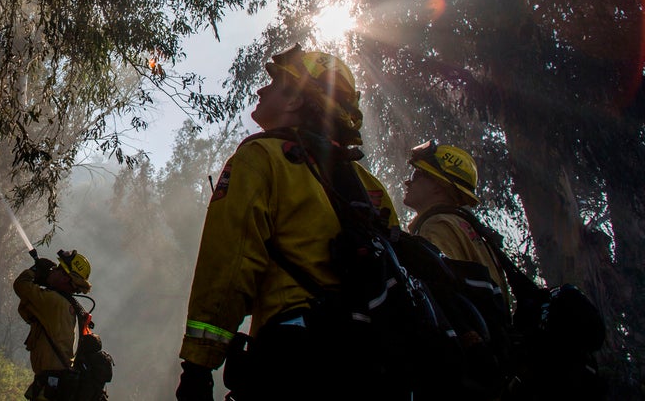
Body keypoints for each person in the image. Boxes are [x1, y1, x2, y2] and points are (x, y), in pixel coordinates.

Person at [175, 45, 400, 400]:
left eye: (274, 83)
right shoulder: (370, 188)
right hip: (375, 364)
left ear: (295, 100)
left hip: (295, 355)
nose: (261, 90)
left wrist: (197, 368)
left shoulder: (261, 157)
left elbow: (229, 265)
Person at [403, 141, 511, 306]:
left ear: (439, 186)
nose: (407, 182)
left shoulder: (437, 226)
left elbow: (441, 290)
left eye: (416, 175)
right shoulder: (465, 225)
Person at [15, 249, 95, 400]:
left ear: (65, 278)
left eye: (58, 269)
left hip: (51, 389)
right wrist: (45, 281)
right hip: (54, 386)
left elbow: (20, 285)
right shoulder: (67, 305)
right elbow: (27, 312)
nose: (52, 270)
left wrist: (34, 271)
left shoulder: (55, 303)